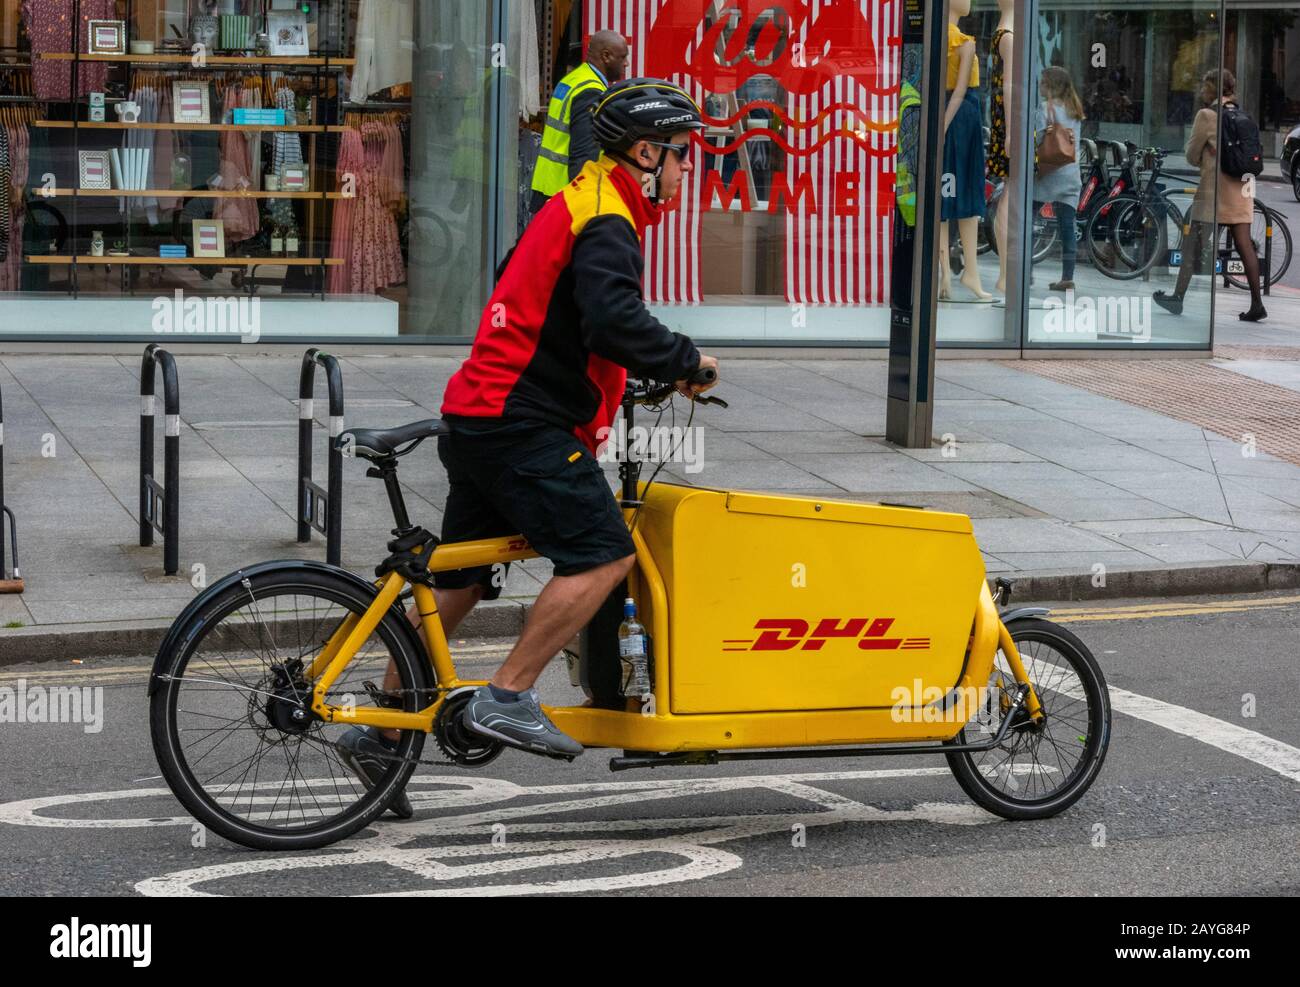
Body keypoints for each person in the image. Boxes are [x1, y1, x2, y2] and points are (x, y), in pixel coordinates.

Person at [338, 79, 719, 810]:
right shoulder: (609, 216)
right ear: (645, 152)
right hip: (521, 424)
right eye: (679, 156)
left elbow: (557, 307)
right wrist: (683, 361)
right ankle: (507, 694)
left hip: (480, 412)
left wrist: (618, 377)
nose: (683, 170)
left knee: (458, 579)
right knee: (605, 554)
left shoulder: (577, 197)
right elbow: (612, 318)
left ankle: (384, 731)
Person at [1155, 69, 1265, 322]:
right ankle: (1257, 303)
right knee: (1245, 244)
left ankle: (1177, 298)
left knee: (1193, 244)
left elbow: (1191, 155)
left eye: (1204, 85)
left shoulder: (1206, 115)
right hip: (1242, 189)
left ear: (1213, 88)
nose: (1201, 90)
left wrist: (1205, 155)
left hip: (1214, 192)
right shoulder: (1243, 114)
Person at [528, 30, 629, 215]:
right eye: (622, 57)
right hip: (564, 195)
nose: (626, 63)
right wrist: (587, 204)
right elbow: (584, 155)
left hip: (548, 186)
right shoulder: (591, 92)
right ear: (606, 56)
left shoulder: (573, 80)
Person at [1033, 66, 1084, 292]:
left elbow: (1037, 139)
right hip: (1071, 174)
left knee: (1028, 220)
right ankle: (1067, 277)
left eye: (1043, 83)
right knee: (1067, 226)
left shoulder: (1045, 109)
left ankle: (1026, 271)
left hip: (1048, 173)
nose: (1040, 86)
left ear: (1051, 86)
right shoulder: (1076, 110)